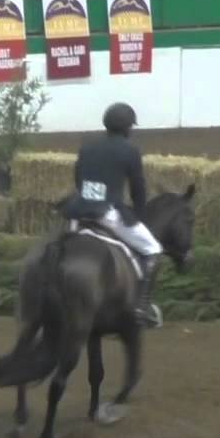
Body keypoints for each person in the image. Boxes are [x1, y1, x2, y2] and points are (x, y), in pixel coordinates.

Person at [60, 102, 164, 328]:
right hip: (107, 213)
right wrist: (138, 216)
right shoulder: (130, 150)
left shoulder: (87, 146)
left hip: (77, 212)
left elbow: (79, 180)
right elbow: (138, 189)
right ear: (127, 127)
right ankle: (142, 308)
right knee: (154, 250)